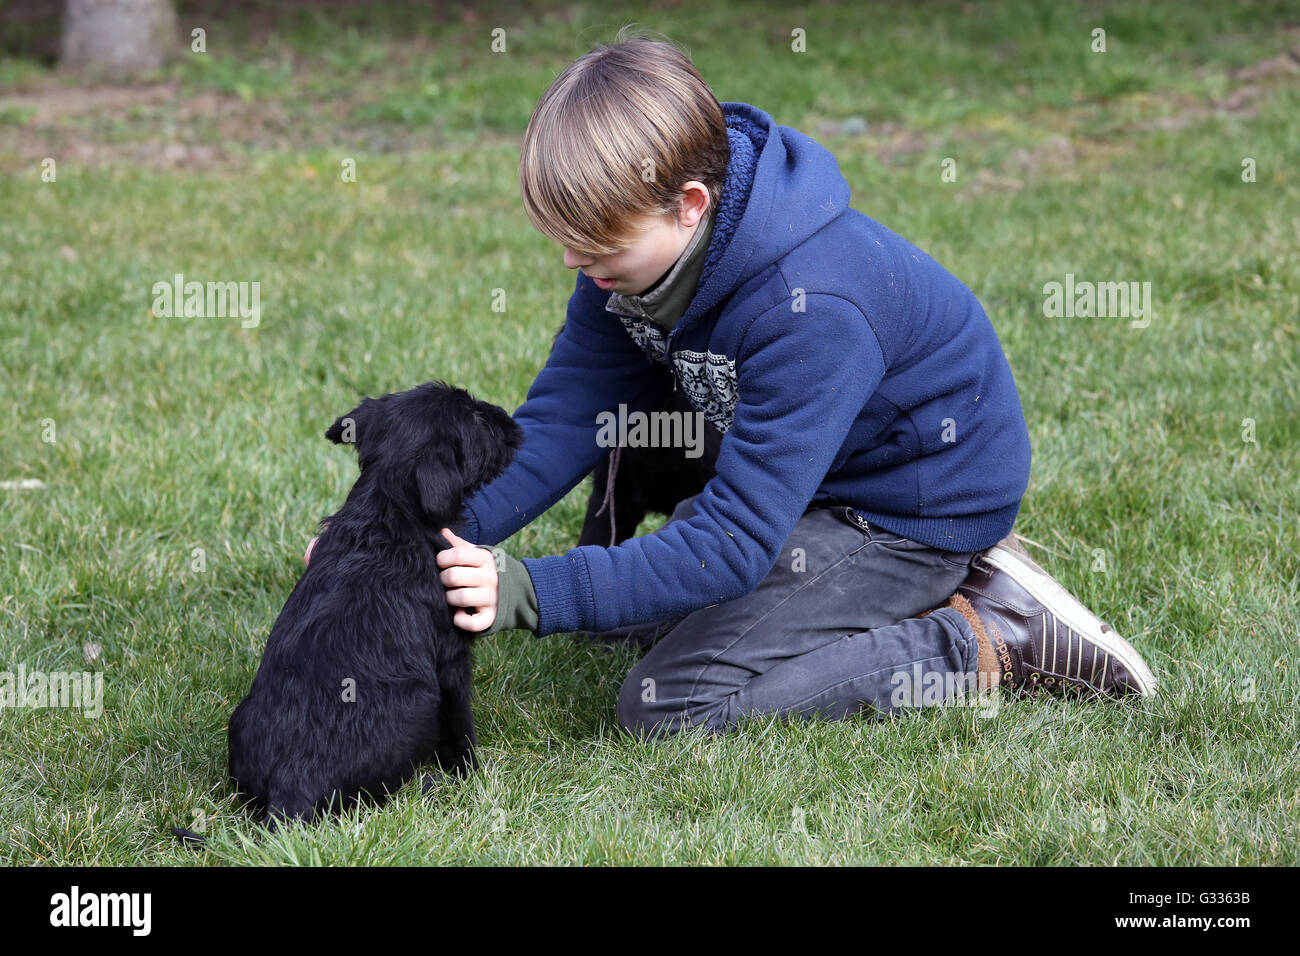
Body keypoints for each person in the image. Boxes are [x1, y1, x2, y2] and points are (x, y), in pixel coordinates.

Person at [319, 29, 1157, 739]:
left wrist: (531, 590)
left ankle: (989, 632)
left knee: (667, 702)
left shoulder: (814, 306)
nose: (576, 265)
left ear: (689, 203)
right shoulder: (629, 262)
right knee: (626, 617)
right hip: (802, 483)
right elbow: (568, 415)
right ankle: (888, 598)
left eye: (598, 249)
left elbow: (731, 542)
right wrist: (408, 530)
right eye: (568, 243)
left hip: (907, 509)